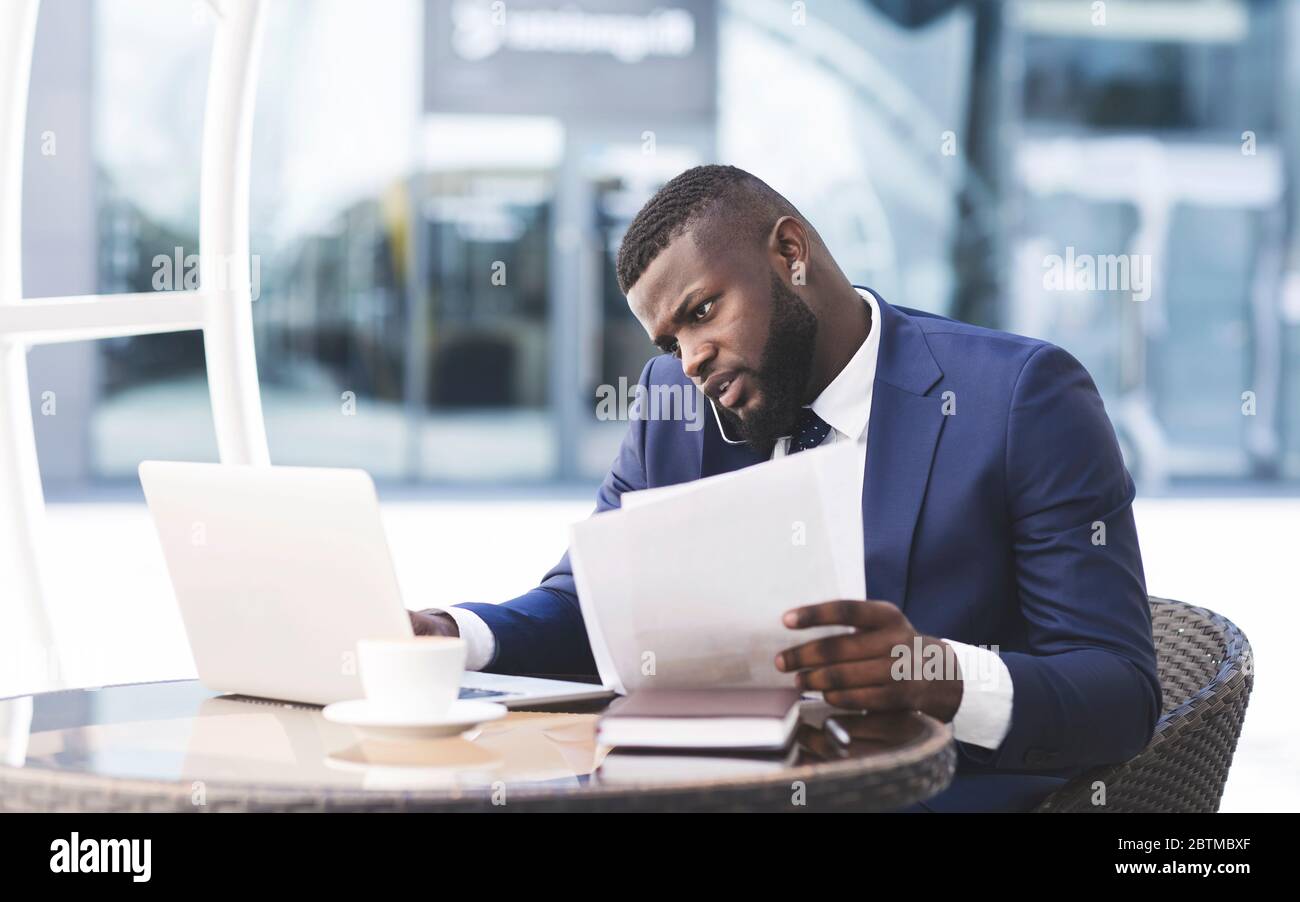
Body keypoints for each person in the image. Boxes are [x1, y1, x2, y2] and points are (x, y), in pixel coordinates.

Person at [410, 164, 1161, 812]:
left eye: (703, 312)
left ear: (791, 253)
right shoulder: (674, 403)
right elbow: (594, 606)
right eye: (670, 340)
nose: (692, 359)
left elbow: (1118, 691)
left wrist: (932, 670)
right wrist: (456, 635)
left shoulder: (1021, 398)